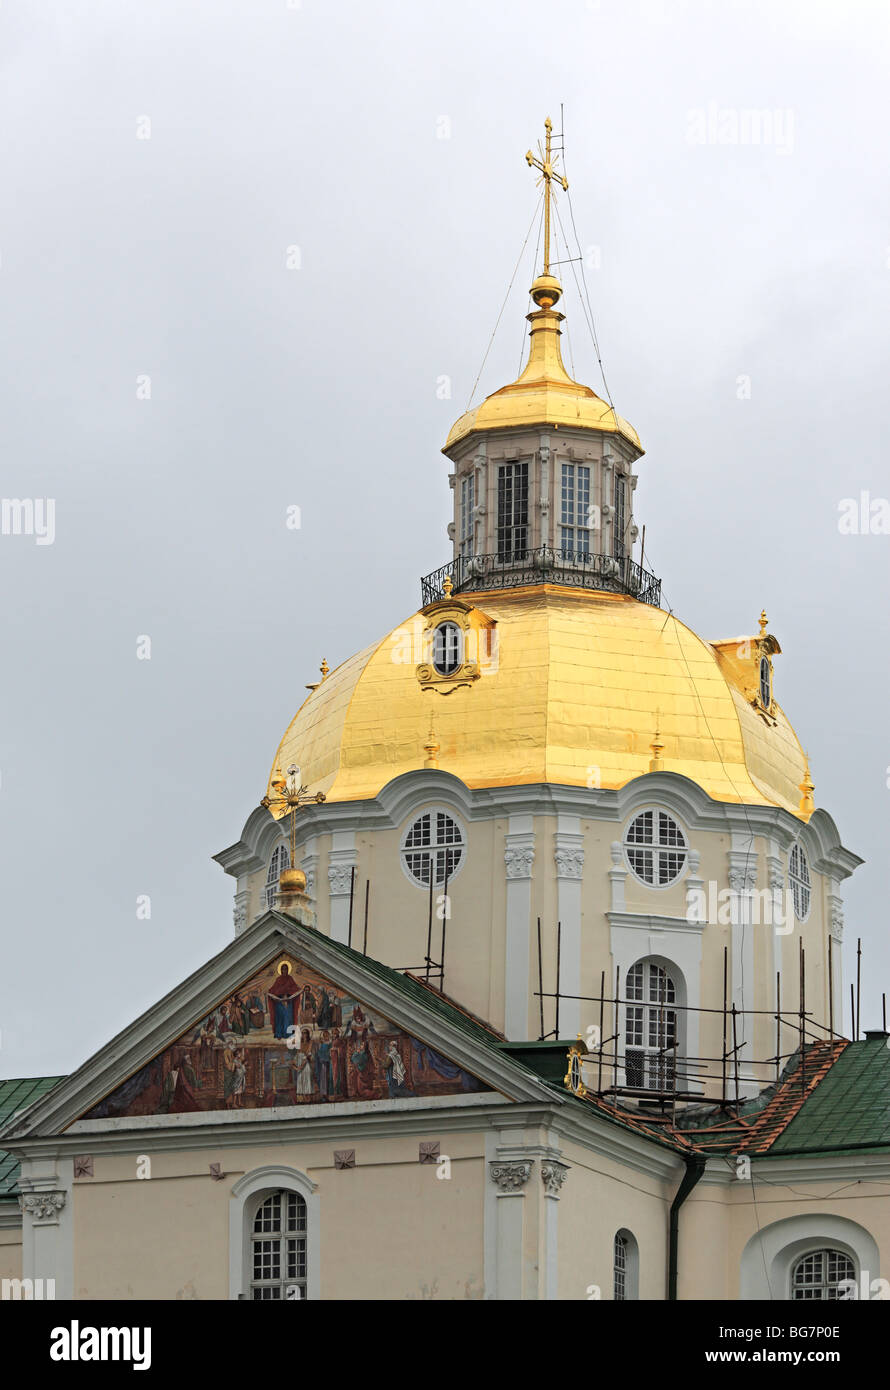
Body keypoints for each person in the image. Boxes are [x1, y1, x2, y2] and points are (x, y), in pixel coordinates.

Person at [267, 963, 299, 1039]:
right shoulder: (278, 979)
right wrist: (270, 992)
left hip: (288, 1001)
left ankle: (288, 1034)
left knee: (288, 1018)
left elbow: (295, 988)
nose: (284, 970)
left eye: (286, 969)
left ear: (288, 970)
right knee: (279, 1018)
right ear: (281, 970)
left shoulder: (290, 979)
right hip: (279, 1002)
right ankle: (279, 1034)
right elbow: (273, 989)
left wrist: (289, 992)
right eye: (283, 969)